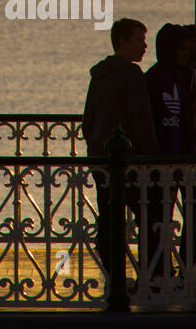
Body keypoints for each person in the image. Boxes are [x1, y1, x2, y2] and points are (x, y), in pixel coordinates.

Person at [82, 17, 161, 286]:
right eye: (139, 40)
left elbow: (88, 120)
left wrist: (95, 143)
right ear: (123, 42)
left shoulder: (100, 75)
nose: (145, 46)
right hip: (129, 162)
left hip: (100, 159)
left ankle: (114, 273)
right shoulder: (131, 75)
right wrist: (154, 157)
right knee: (149, 215)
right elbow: (141, 120)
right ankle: (150, 273)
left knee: (109, 217)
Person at [146, 23, 196, 274]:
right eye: (181, 49)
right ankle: (157, 271)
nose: (185, 54)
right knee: (157, 219)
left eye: (188, 49)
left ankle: (183, 269)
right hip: (159, 159)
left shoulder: (184, 77)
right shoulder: (154, 78)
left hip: (182, 158)